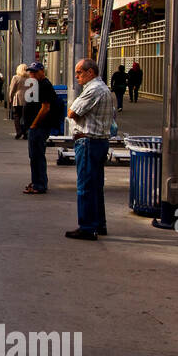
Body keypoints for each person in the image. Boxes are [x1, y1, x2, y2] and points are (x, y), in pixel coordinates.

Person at [65, 59, 117, 239]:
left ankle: (87, 227)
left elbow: (72, 113)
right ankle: (98, 223)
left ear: (90, 72)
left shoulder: (93, 90)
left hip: (88, 142)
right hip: (99, 141)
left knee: (85, 186)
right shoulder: (104, 89)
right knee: (96, 186)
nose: (77, 76)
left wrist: (72, 108)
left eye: (79, 72)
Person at [23, 61, 57, 195]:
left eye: (35, 72)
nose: (32, 74)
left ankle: (39, 184)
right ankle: (37, 181)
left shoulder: (44, 85)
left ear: (42, 71)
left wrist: (34, 124)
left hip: (39, 127)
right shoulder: (38, 85)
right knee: (35, 156)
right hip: (37, 127)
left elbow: (45, 108)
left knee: (37, 156)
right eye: (30, 72)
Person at [7, 63, 29, 139]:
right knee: (26, 116)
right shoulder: (30, 78)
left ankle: (19, 131)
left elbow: (12, 89)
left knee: (17, 115)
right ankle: (26, 132)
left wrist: (10, 98)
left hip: (18, 98)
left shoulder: (16, 78)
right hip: (28, 99)